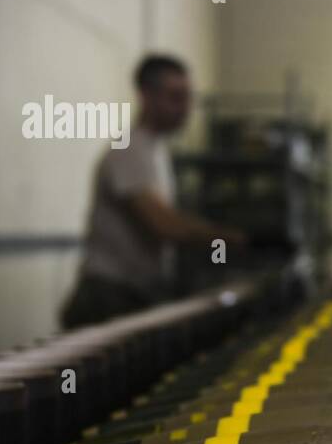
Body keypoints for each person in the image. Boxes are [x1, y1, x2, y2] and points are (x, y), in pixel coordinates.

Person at [60, 55, 246, 329]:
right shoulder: (130, 150)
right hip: (108, 298)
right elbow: (164, 226)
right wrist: (229, 238)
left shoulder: (156, 151)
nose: (185, 108)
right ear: (146, 95)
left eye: (187, 97)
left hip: (133, 294)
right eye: (175, 97)